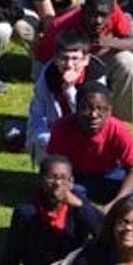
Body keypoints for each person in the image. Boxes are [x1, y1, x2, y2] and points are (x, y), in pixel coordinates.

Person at [0, 155, 103, 265]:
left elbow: (105, 232)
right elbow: (12, 253)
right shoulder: (27, 213)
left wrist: (80, 206)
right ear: (40, 180)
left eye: (63, 178)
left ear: (71, 182)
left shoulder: (79, 205)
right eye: (51, 178)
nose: (57, 184)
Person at [35, 0, 133, 122]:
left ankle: (119, 122)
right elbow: (42, 57)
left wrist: (109, 43)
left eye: (103, 15)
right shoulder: (61, 25)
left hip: (98, 58)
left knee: (127, 61)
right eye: (93, 14)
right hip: (69, 62)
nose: (98, 21)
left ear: (112, 12)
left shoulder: (114, 12)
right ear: (83, 10)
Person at [46, 82, 133, 212]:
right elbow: (52, 166)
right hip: (77, 178)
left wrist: (117, 202)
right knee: (60, 199)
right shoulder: (62, 129)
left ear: (109, 111)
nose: (94, 115)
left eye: (100, 109)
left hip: (112, 175)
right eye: (87, 108)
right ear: (77, 108)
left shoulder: (119, 130)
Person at [26, 30, 107, 165]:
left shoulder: (96, 79)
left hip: (88, 133)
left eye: (75, 58)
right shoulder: (47, 76)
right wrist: (43, 139)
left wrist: (70, 90)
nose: (69, 65)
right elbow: (37, 114)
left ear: (85, 59)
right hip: (56, 130)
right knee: (41, 140)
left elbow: (90, 117)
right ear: (56, 59)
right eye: (64, 58)